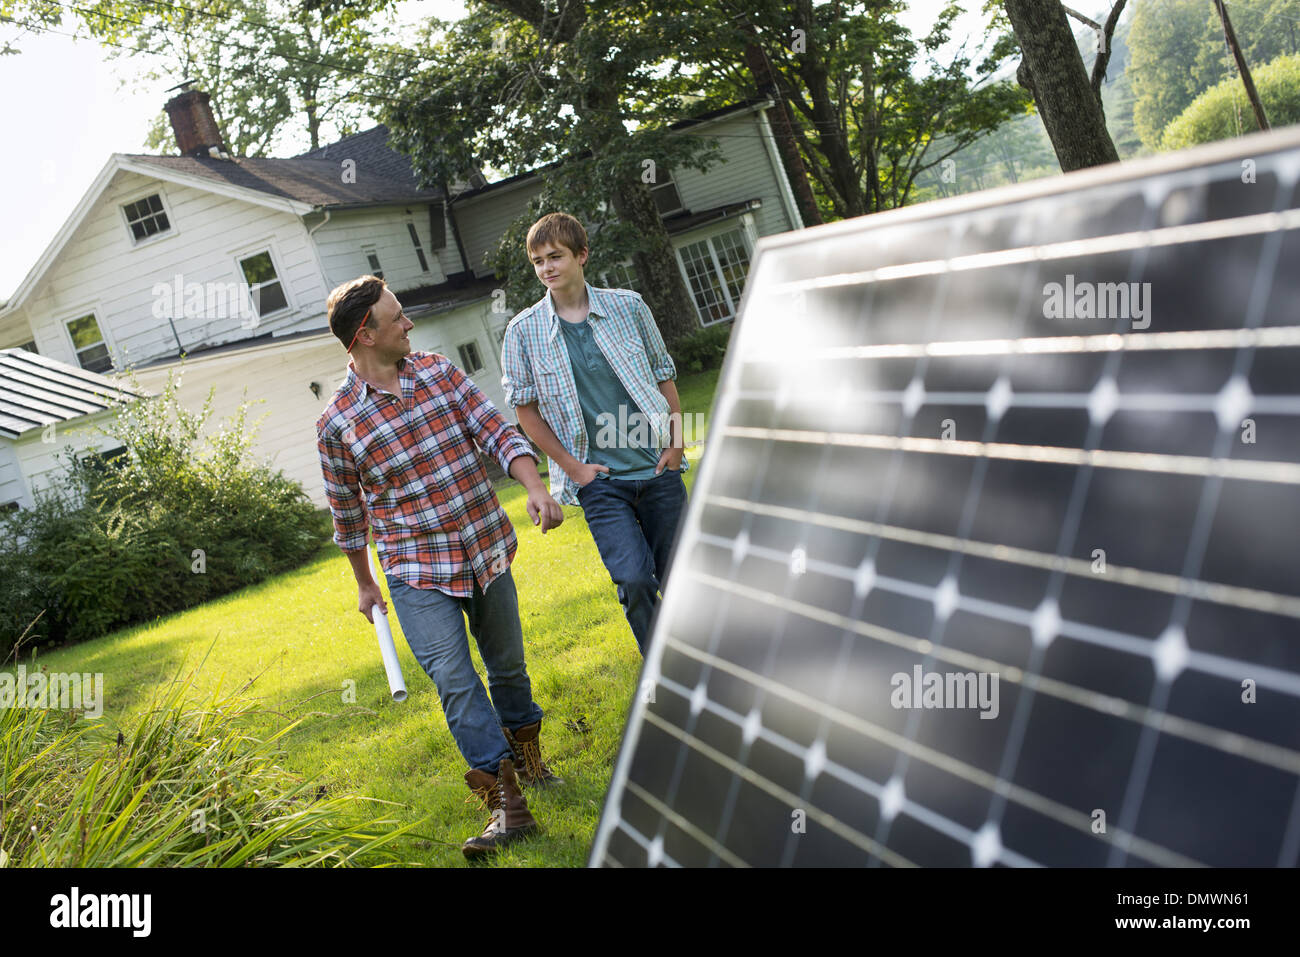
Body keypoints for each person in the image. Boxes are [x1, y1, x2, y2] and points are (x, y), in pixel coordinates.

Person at [316, 274, 564, 861]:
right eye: (396, 317)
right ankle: (507, 805)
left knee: (506, 667)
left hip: (482, 542)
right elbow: (348, 517)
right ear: (365, 334)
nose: (409, 324)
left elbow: (495, 431)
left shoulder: (439, 373)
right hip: (415, 567)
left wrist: (533, 486)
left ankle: (530, 766)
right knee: (455, 679)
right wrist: (363, 582)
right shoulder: (337, 424)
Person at [500, 213, 689, 656]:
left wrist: (676, 446)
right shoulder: (522, 333)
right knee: (635, 580)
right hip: (600, 483)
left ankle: (704, 659)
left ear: (582, 255)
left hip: (658, 469)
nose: (547, 268)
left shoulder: (629, 307)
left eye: (556, 257)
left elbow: (665, 378)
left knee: (684, 578)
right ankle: (663, 671)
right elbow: (526, 413)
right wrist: (574, 470)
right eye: (537, 261)